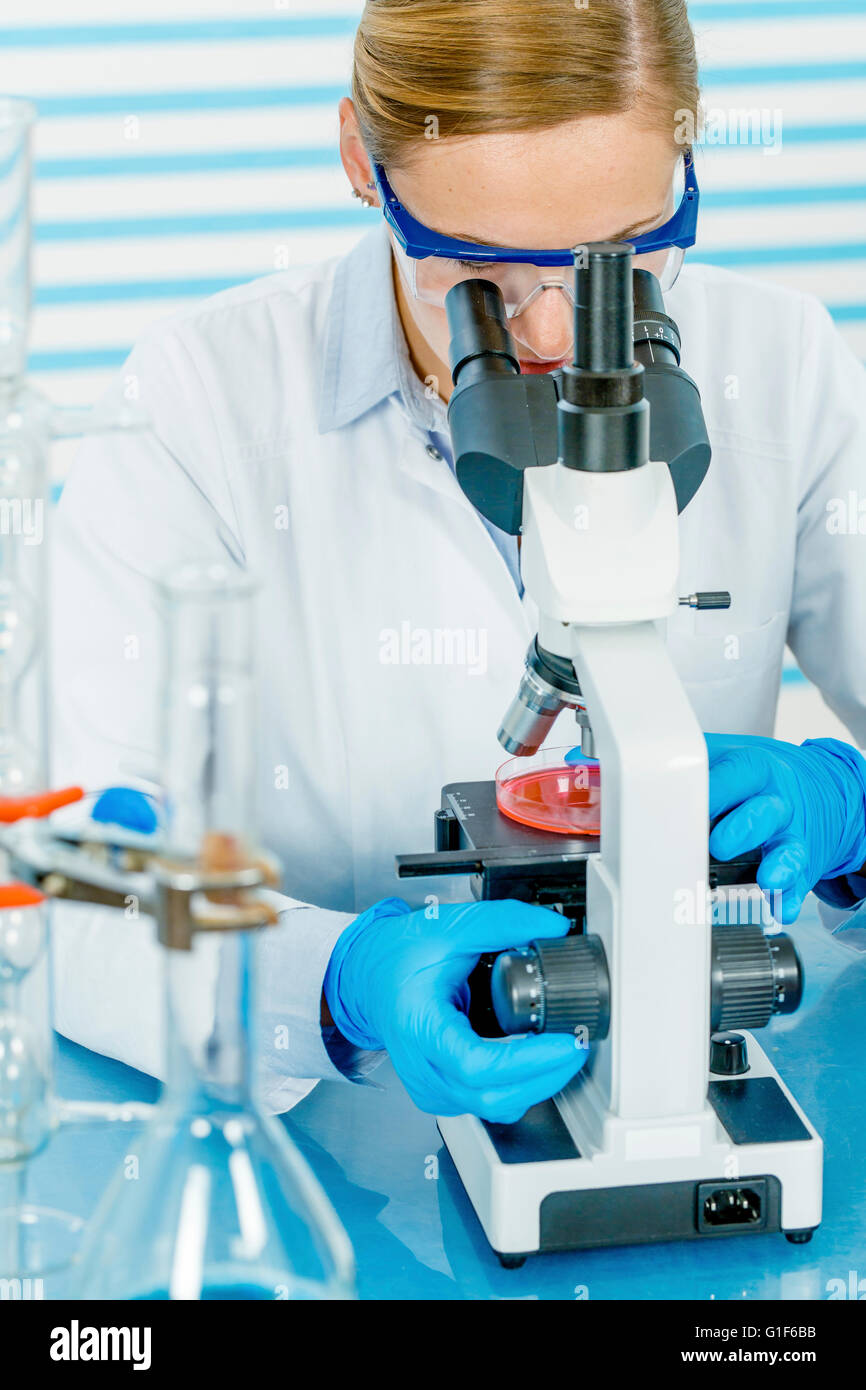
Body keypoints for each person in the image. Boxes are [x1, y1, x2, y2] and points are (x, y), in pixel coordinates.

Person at [51, 0, 866, 1120]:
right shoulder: (200, 405)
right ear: (361, 161)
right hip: (332, 1138)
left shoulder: (783, 364)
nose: (552, 335)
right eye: (478, 269)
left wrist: (850, 813)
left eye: (624, 257)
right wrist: (331, 984)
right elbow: (74, 883)